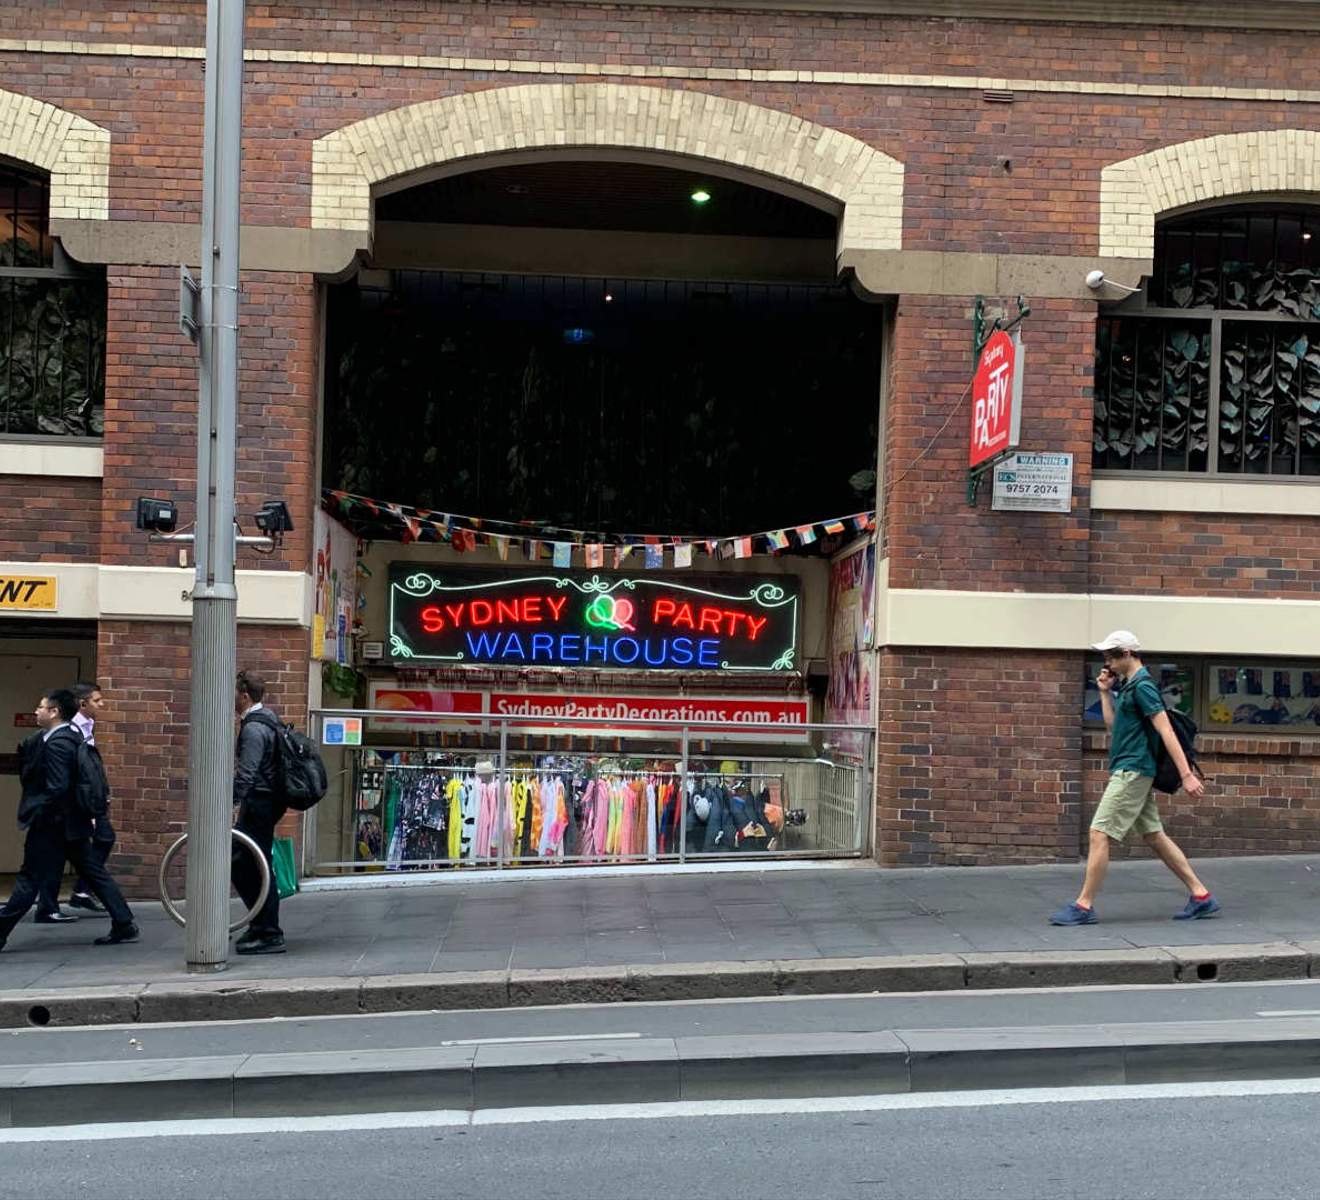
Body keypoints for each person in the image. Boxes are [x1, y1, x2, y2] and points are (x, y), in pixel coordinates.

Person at [1050, 631, 1219, 926]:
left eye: (1111, 655)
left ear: (1128, 653)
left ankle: (1084, 905)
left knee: (1099, 833)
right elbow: (1114, 728)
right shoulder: (1129, 687)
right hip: (1129, 768)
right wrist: (1105, 692)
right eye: (1105, 656)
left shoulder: (1143, 686)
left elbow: (1166, 730)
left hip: (1133, 771)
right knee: (1154, 835)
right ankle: (1201, 896)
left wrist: (1187, 775)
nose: (1107, 661)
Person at [0, 690, 138, 952]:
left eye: (41, 707)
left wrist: (38, 813)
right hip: (70, 824)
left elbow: (58, 787)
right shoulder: (66, 737)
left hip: (54, 824)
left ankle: (1, 930)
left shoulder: (59, 743)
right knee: (93, 872)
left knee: (30, 877)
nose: (36, 711)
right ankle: (124, 922)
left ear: (54, 712)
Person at [34, 682, 114, 921]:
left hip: (84, 800)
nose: (102, 704)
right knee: (60, 854)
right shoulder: (72, 730)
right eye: (97, 700)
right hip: (75, 803)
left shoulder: (87, 726)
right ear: (82, 703)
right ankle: (64, 899)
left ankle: (73, 895)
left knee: (83, 847)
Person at [232, 670, 287, 954]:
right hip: (269, 801)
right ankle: (260, 925)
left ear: (244, 695)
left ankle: (267, 930)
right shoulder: (269, 719)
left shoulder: (254, 728)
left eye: (234, 693)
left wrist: (228, 800)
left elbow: (248, 773)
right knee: (253, 861)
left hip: (260, 802)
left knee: (247, 862)